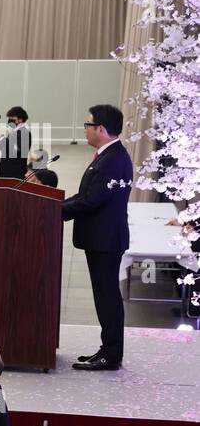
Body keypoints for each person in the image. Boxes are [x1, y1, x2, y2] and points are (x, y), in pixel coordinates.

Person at [65, 104, 133, 372]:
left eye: (88, 124)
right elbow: (86, 196)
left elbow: (91, 201)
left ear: (101, 129)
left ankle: (111, 355)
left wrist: (54, 212)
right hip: (102, 238)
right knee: (105, 296)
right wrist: (55, 205)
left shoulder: (112, 160)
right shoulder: (109, 156)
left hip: (106, 239)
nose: (85, 129)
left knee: (108, 298)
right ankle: (107, 350)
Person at [0, 106, 32, 180]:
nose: (10, 120)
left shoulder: (25, 133)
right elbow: (5, 148)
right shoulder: (14, 131)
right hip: (6, 171)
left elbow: (15, 149)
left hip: (15, 173)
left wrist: (0, 136)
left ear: (20, 119)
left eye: (12, 118)